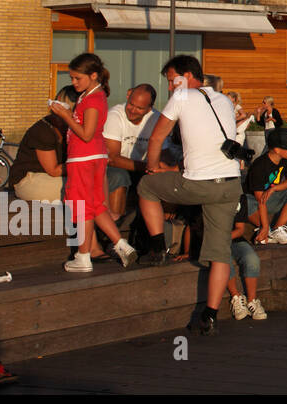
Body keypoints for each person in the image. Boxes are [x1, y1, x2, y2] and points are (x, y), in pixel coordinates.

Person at [137, 55, 244, 337]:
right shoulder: (223, 100)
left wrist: (152, 168)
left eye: (172, 80)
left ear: (186, 76)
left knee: (146, 188)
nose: (171, 87)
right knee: (220, 252)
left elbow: (157, 138)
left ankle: (158, 247)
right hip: (230, 183)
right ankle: (210, 314)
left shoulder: (182, 96)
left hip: (198, 184)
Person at [48, 53, 137, 272]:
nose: (74, 83)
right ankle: (121, 244)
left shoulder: (93, 99)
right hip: (96, 157)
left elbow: (87, 134)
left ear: (93, 75)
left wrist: (66, 116)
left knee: (82, 207)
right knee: (96, 205)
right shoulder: (92, 96)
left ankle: (84, 256)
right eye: (72, 78)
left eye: (78, 78)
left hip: (83, 158)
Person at [103, 84, 163, 222]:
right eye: (131, 104)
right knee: (119, 176)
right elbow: (112, 158)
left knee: (161, 178)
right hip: (116, 167)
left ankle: (158, 231)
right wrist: (149, 167)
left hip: (143, 167)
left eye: (139, 108)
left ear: (149, 108)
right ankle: (113, 230)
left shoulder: (157, 118)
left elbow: (164, 152)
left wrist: (159, 169)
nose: (132, 110)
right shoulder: (115, 115)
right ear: (128, 96)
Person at [10, 85, 77, 204]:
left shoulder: (71, 129)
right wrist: (83, 164)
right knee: (79, 190)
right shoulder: (43, 130)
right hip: (29, 179)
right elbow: (54, 170)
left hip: (50, 177)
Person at [245, 128, 287, 245]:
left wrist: (274, 188)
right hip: (256, 204)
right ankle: (266, 230)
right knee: (244, 202)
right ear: (277, 150)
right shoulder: (259, 165)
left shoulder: (285, 159)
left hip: (272, 199)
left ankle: (277, 229)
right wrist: (265, 225)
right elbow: (260, 200)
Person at [226, 195, 266, 321]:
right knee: (223, 261)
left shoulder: (239, 197)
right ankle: (236, 298)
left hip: (234, 239)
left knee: (251, 258)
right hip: (214, 241)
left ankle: (252, 301)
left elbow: (240, 229)